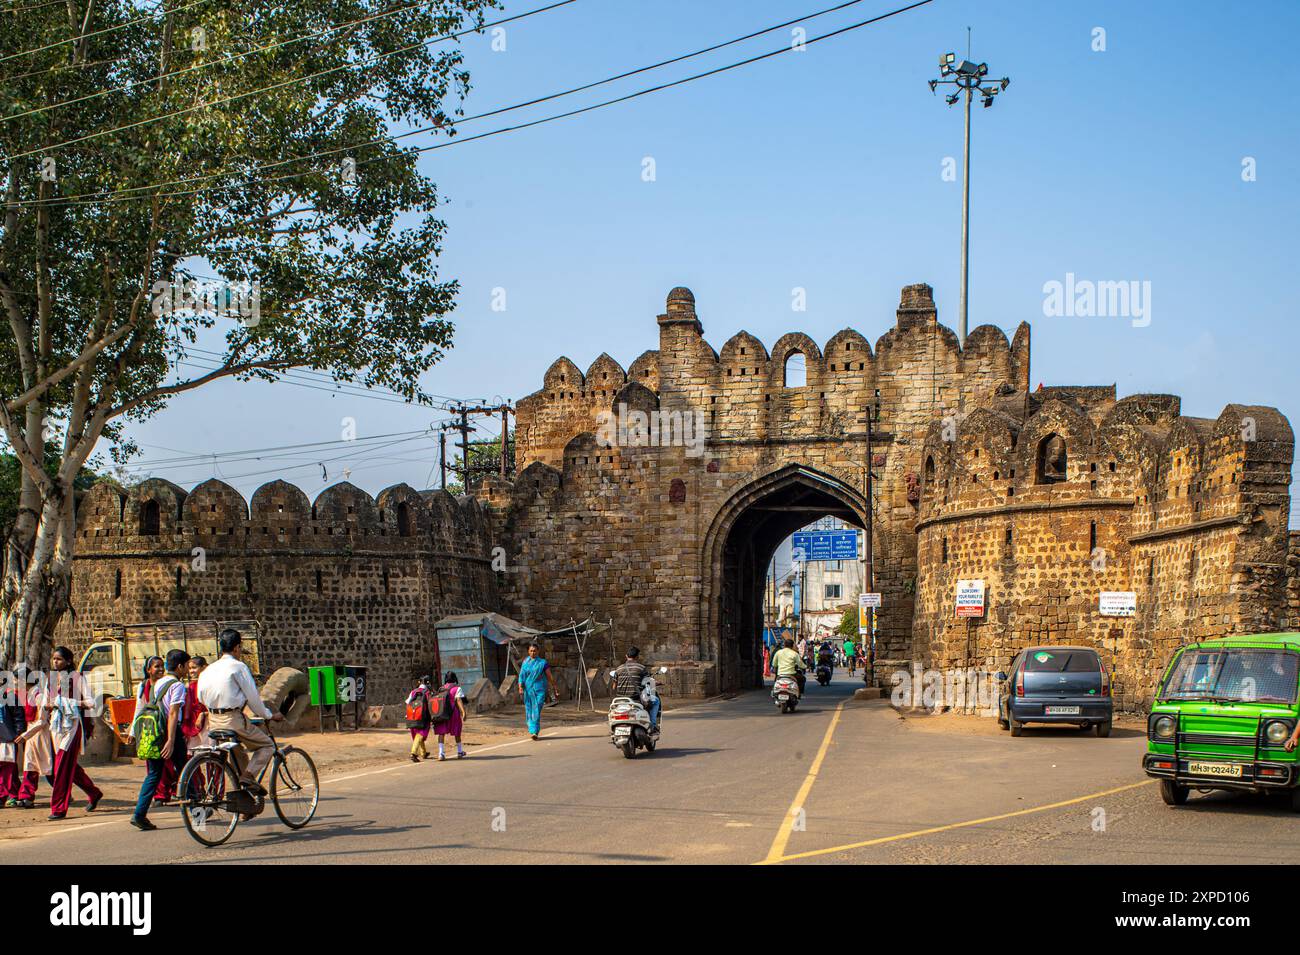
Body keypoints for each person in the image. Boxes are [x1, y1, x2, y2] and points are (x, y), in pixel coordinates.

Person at [197, 628, 283, 794]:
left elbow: (201, 698)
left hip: (213, 721)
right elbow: (253, 699)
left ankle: (246, 799)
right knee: (267, 745)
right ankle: (249, 777)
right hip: (233, 720)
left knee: (239, 755)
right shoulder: (238, 667)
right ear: (237, 647)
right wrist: (269, 715)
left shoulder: (208, 670)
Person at [128, 649, 189, 831]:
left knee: (154, 775)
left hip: (154, 732)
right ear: (180, 667)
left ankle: (139, 814)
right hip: (170, 733)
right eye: (186, 666)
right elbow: (172, 713)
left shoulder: (157, 683)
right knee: (185, 769)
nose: (187, 669)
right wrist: (170, 740)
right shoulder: (177, 685)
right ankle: (197, 810)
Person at [41, 646, 103, 821]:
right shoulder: (50, 679)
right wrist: (49, 705)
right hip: (56, 726)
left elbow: (91, 702)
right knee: (70, 767)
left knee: (61, 768)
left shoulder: (77, 678)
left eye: (59, 659)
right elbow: (46, 703)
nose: (55, 661)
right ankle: (94, 792)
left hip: (72, 726)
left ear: (68, 661)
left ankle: (59, 808)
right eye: (54, 658)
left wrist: (67, 702)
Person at [611, 646, 660, 731]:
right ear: (637, 657)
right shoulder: (641, 668)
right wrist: (656, 683)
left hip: (620, 699)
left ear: (626, 656)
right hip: (636, 699)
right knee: (655, 701)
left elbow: (614, 687)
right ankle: (652, 726)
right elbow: (648, 683)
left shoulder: (618, 669)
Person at [517, 642, 558, 740]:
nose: (533, 653)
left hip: (540, 690)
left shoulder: (542, 663)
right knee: (529, 710)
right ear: (528, 651)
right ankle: (533, 731)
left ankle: (534, 731)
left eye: (534, 651)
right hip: (528, 690)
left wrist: (555, 687)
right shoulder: (525, 662)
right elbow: (522, 676)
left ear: (538, 651)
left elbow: (549, 676)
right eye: (531, 651)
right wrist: (520, 687)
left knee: (536, 710)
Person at [0, 685, 26, 808]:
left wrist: (18, 732)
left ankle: (2, 796)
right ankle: (16, 794)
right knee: (9, 770)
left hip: (8, 737)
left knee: (7, 769)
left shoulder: (9, 695)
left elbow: (18, 715)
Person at [433, 672, 466, 760]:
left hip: (442, 713)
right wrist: (463, 712)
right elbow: (458, 700)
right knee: (457, 732)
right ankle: (459, 752)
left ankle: (441, 754)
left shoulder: (441, 688)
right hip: (453, 713)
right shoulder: (457, 688)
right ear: (455, 678)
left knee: (441, 733)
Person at [182, 656, 209, 755]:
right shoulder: (191, 686)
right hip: (193, 723)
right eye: (189, 668)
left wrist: (203, 714)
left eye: (194, 667)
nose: (191, 671)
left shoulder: (209, 684)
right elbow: (188, 710)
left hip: (207, 721)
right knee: (192, 753)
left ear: (204, 667)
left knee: (210, 752)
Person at [406, 676, 433, 762]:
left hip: (412, 716)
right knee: (420, 734)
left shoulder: (413, 691)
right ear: (428, 683)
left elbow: (407, 702)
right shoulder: (428, 692)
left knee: (417, 735)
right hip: (424, 718)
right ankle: (413, 753)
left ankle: (423, 753)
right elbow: (431, 705)